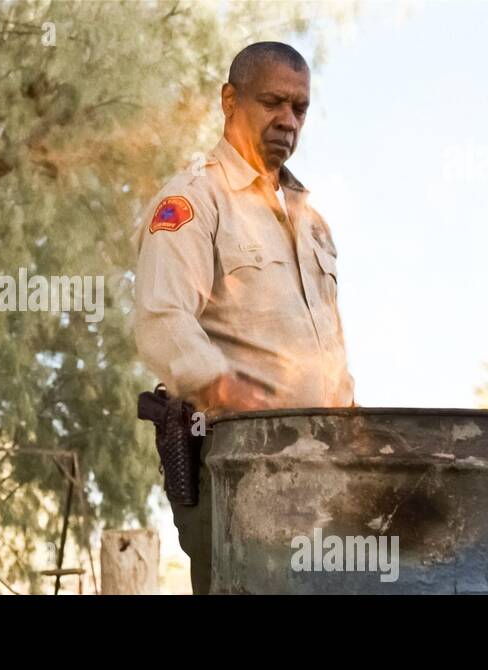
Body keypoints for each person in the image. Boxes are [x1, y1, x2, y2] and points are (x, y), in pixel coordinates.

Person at [132, 42, 356, 595]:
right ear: (230, 101)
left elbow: (331, 352)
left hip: (325, 471)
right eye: (273, 102)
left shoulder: (312, 220)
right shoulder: (193, 199)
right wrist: (224, 388)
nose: (288, 120)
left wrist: (358, 433)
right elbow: (162, 318)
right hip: (237, 469)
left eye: (299, 108)